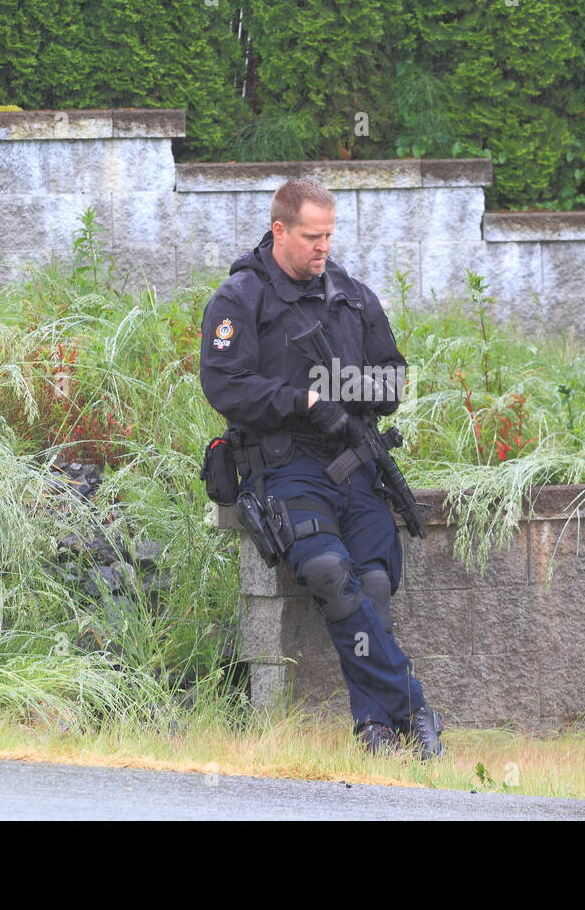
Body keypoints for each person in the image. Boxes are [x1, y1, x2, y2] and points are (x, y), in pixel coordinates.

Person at [198, 177, 443, 758]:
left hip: (353, 462)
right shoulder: (240, 298)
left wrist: (345, 389)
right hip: (285, 468)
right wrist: (303, 401)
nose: (323, 247)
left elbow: (394, 377)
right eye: (312, 236)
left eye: (329, 235)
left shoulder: (352, 296)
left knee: (375, 582)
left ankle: (375, 728)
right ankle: (412, 707)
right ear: (279, 229)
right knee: (330, 573)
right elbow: (225, 384)